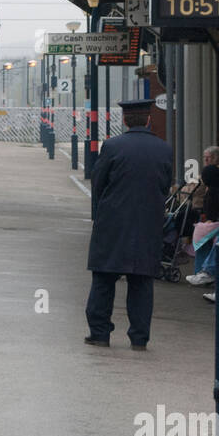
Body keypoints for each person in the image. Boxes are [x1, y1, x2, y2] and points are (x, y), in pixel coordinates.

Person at [85, 98, 173, 351]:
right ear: (148, 120)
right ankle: (139, 338)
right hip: (148, 225)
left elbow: (98, 183)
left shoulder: (112, 146)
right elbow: (164, 186)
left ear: (124, 120)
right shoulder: (164, 149)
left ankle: (100, 333)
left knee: (103, 279)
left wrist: (102, 212)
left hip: (112, 224)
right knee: (142, 283)